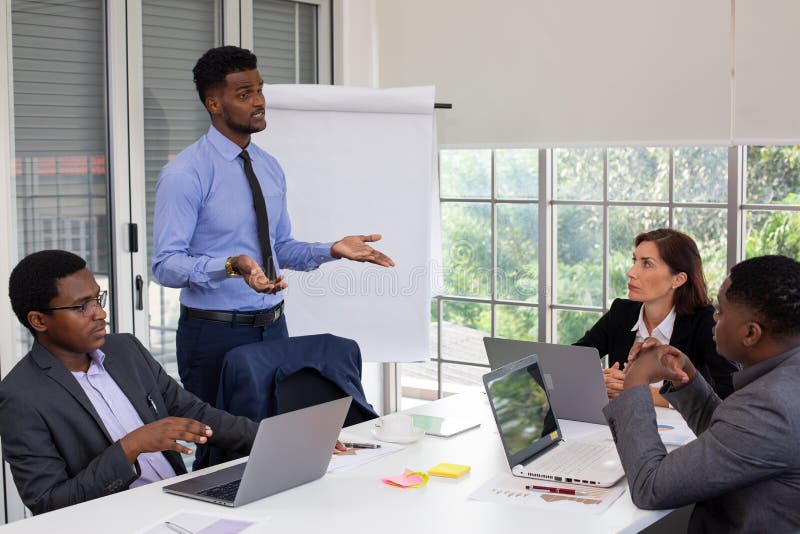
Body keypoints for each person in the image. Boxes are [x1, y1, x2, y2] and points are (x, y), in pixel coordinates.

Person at [151, 46, 393, 467]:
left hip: (273, 330)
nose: (259, 101)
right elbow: (165, 264)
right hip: (213, 338)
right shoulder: (185, 173)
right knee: (222, 456)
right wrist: (231, 266)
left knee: (280, 447)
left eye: (259, 90)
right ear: (214, 103)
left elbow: (279, 249)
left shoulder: (268, 166)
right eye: (244, 93)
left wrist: (331, 250)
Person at [0, 250, 344, 515]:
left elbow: (195, 413)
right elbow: (50, 504)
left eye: (98, 299)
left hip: (183, 500)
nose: (99, 313)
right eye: (81, 306)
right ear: (38, 320)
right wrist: (130, 447)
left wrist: (287, 442)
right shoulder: (21, 397)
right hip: (122, 519)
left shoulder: (124, 350)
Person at [604, 255, 800, 531]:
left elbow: (650, 487)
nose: (714, 317)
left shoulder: (772, 405)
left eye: (721, 310)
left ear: (751, 334)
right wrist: (687, 379)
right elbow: (735, 439)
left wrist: (635, 380)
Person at [574, 228, 738, 405]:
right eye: (634, 261)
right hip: (621, 426)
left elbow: (731, 391)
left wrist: (645, 394)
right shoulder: (621, 313)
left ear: (678, 279)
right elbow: (566, 363)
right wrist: (599, 382)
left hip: (688, 431)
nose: (631, 272)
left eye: (646, 264)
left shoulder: (705, 322)